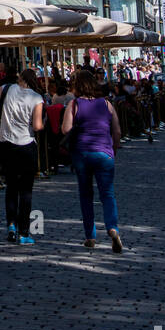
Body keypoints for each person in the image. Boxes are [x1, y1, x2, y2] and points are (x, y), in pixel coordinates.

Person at [0, 69, 44, 246]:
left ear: (19, 78)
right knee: (26, 191)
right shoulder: (37, 97)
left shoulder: (7, 88)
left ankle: (11, 225)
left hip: (6, 144)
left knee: (11, 187)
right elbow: (38, 126)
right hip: (26, 145)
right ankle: (24, 233)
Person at [61, 70, 124, 252]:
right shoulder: (106, 104)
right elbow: (117, 131)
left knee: (86, 195)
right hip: (104, 153)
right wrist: (114, 150)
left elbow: (66, 129)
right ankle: (112, 227)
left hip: (82, 153)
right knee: (108, 194)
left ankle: (90, 236)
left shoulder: (74, 104)